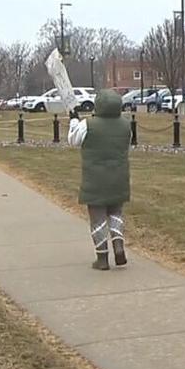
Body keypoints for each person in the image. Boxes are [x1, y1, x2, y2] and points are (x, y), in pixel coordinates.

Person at [67, 90, 131, 270]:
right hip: (119, 176)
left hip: (95, 178)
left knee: (98, 218)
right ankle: (118, 245)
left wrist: (73, 120)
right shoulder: (126, 125)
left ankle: (102, 258)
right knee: (116, 213)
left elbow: (73, 140)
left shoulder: (88, 124)